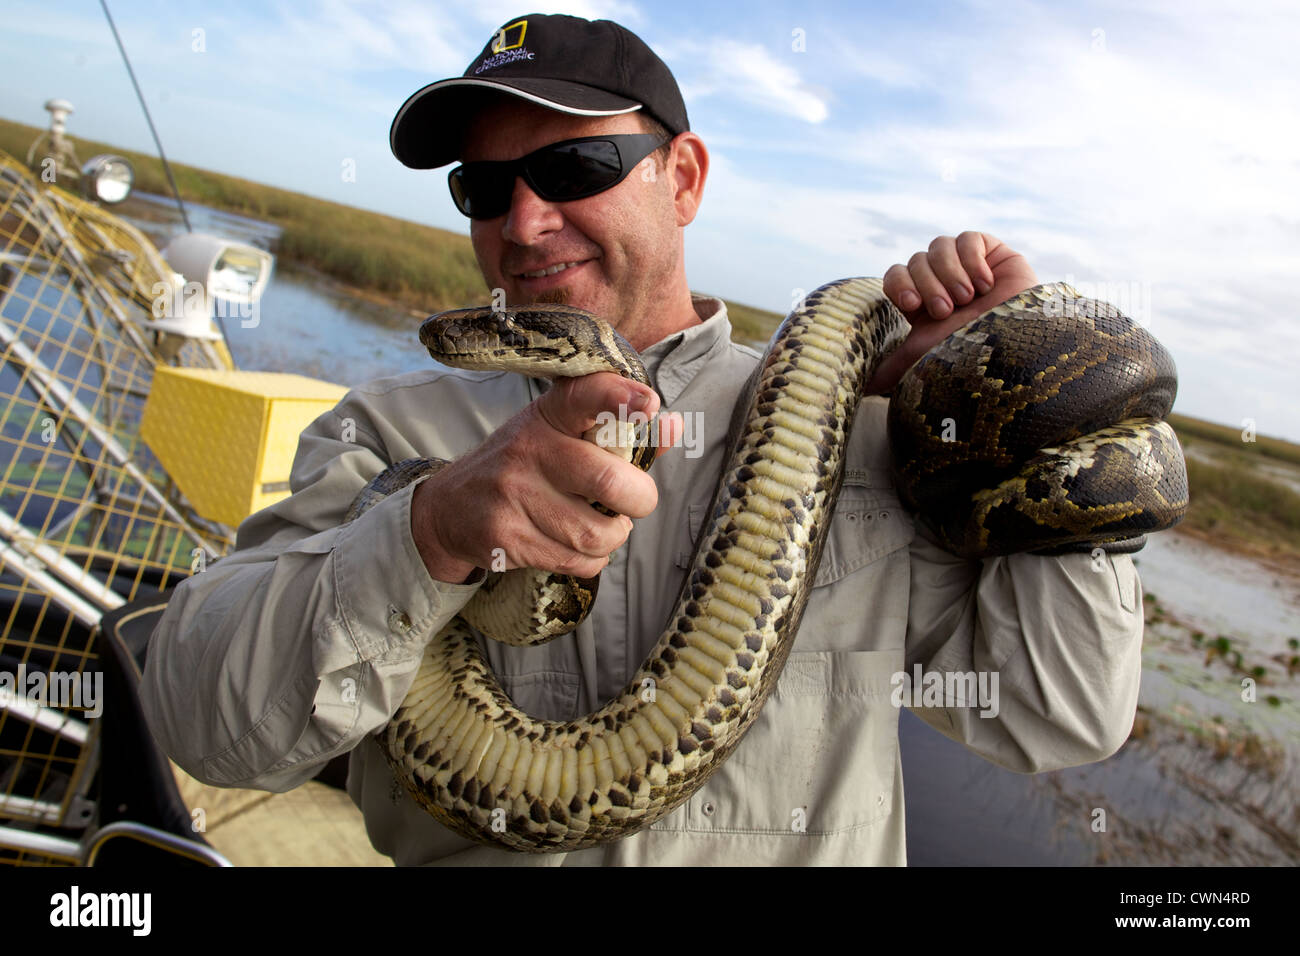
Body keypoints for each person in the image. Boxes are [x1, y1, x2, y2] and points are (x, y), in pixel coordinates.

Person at [141, 13, 1144, 866]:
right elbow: (205, 723)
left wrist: (1020, 407)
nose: (522, 223)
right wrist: (426, 531)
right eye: (482, 189)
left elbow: (1053, 712)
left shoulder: (870, 428)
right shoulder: (391, 430)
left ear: (684, 177)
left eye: (573, 165)